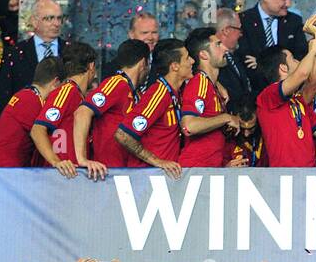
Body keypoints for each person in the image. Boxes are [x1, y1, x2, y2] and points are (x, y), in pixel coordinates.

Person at [0, 56, 78, 175]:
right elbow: (38, 132)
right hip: (5, 173)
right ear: (56, 82)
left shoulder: (25, 95)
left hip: (5, 170)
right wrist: (56, 162)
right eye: (63, 86)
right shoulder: (31, 100)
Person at [72, 39, 151, 180]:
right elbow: (82, 112)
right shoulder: (117, 83)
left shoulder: (136, 93)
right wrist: (82, 159)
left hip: (126, 173)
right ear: (143, 63)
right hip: (105, 174)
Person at [114, 38, 192, 177]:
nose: (192, 61)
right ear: (175, 66)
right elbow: (123, 135)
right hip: (145, 178)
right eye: (187, 58)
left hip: (162, 178)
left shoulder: (175, 94)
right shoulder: (159, 94)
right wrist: (157, 161)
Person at [255, 22, 316, 167]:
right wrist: (311, 51)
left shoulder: (298, 101)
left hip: (309, 174)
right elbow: (302, 74)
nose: (298, 61)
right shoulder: (267, 96)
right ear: (283, 68)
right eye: (293, 59)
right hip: (284, 175)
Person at [0, 0, 64, 127]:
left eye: (59, 18)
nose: (56, 23)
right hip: (25, 128)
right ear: (34, 22)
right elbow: (2, 99)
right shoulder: (14, 54)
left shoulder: (72, 51)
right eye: (49, 18)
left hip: (63, 129)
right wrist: (0, 135)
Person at [178, 26, 236, 168]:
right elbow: (188, 126)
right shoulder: (200, 83)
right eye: (218, 44)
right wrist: (226, 118)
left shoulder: (212, 86)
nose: (225, 48)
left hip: (207, 170)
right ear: (204, 55)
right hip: (195, 169)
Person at [237, 0, 306, 60]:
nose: (288, 4)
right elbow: (242, 56)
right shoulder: (243, 21)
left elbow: (301, 56)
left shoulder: (294, 21)